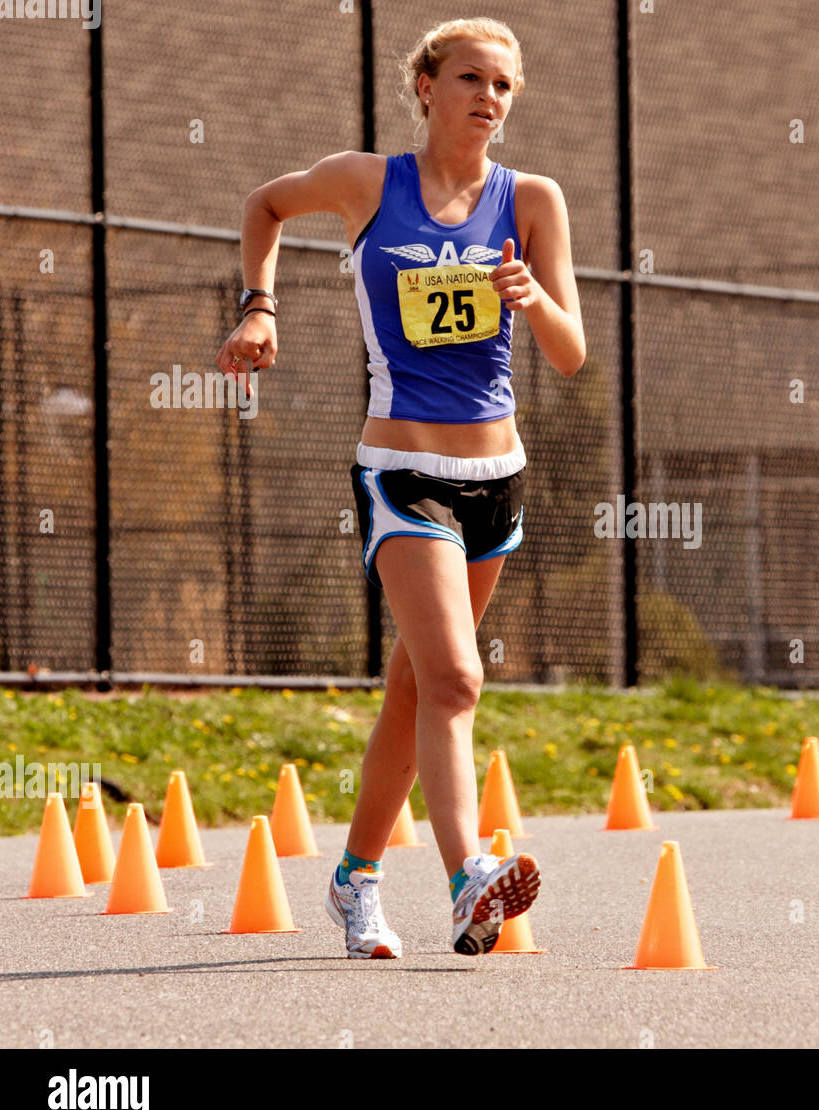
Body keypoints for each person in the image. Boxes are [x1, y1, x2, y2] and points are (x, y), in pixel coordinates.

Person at [215, 17, 585, 957]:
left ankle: (353, 881)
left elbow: (572, 354)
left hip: (496, 477)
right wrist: (260, 309)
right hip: (403, 472)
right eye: (470, 79)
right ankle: (468, 881)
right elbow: (264, 206)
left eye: (503, 86)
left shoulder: (533, 200)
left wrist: (532, 298)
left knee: (413, 692)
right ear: (426, 86)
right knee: (458, 676)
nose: (488, 99)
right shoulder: (366, 183)